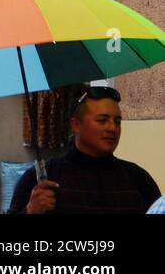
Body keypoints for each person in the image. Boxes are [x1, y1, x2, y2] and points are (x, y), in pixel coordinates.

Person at [10, 86, 162, 214]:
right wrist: (30, 211)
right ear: (76, 125)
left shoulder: (137, 179)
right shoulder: (44, 179)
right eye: (102, 120)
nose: (112, 128)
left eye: (117, 122)